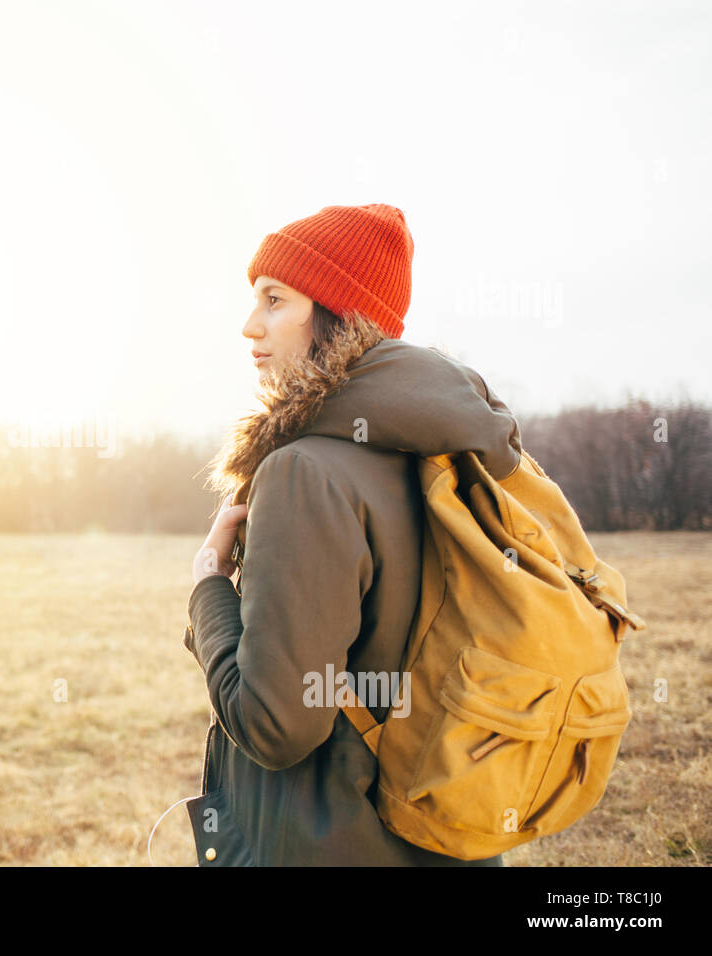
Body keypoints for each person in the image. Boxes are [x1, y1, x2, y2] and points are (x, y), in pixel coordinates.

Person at [183, 203, 517, 866]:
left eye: (275, 300)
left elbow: (276, 725)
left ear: (337, 312)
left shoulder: (302, 472)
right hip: (446, 838)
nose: (250, 325)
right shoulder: (449, 454)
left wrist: (208, 589)